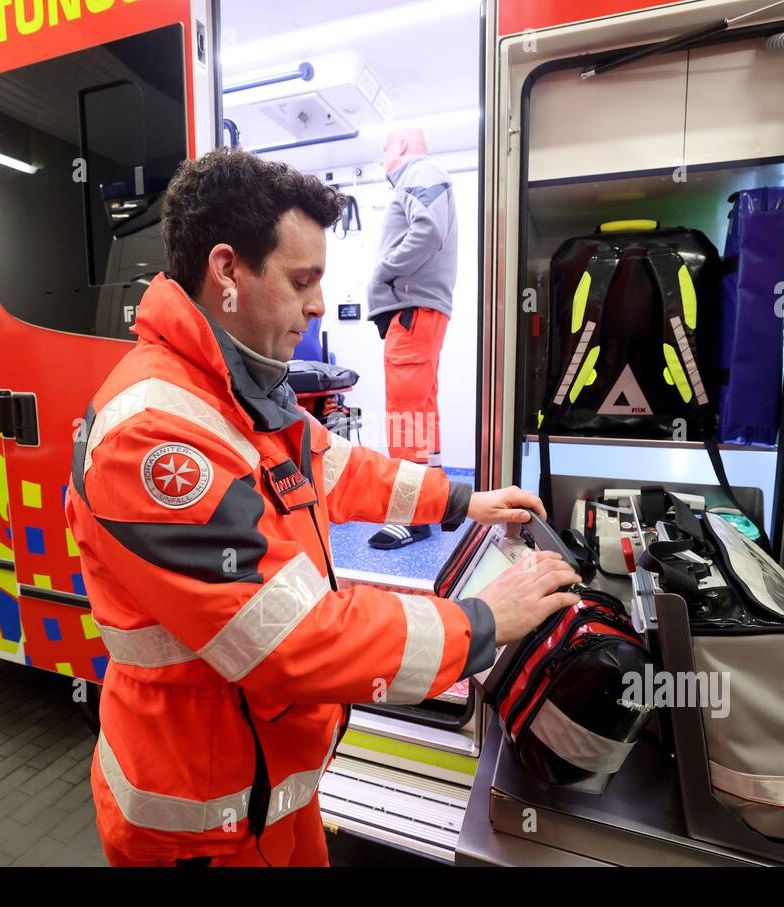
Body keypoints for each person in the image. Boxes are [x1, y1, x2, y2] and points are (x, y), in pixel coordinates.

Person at [64, 148, 581, 867]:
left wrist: (464, 500)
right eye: (302, 280)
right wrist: (483, 622)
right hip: (202, 824)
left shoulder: (238, 387)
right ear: (226, 273)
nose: (316, 304)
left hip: (271, 792)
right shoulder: (153, 436)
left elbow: (335, 467)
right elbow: (293, 639)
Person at [366, 128, 457, 550]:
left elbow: (428, 230)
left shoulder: (418, 171)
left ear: (400, 146)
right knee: (421, 411)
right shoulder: (422, 177)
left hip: (411, 308)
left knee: (404, 413)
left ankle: (409, 515)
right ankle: (434, 503)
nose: (384, 157)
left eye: (385, 148)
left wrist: (385, 271)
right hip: (417, 309)